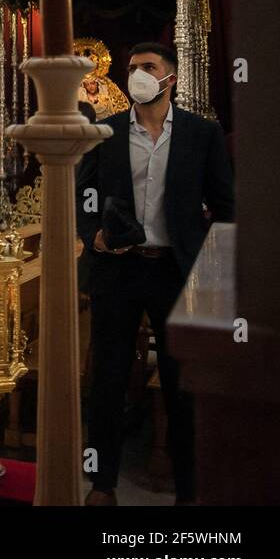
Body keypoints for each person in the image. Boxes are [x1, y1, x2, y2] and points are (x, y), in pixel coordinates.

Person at [76, 42, 233, 506]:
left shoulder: (201, 134)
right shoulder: (104, 132)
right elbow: (82, 196)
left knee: (181, 382)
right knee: (107, 379)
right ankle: (102, 484)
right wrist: (95, 234)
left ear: (171, 79)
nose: (137, 75)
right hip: (118, 270)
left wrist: (217, 283)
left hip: (175, 272)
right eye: (132, 68)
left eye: (148, 68)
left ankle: (189, 490)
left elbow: (226, 209)